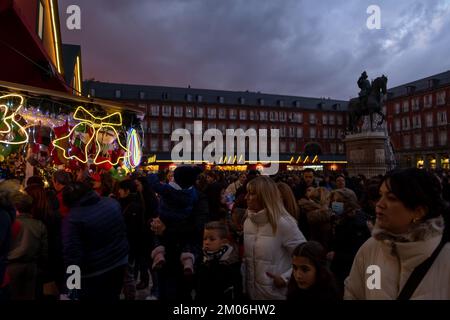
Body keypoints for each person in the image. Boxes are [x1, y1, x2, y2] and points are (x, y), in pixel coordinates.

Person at [345, 168, 450, 300]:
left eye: (391, 198)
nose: (379, 204)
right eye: (380, 195)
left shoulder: (446, 257)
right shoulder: (370, 249)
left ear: (419, 211)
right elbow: (354, 293)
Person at [62, 182, 129, 301]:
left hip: (94, 272)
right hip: (119, 261)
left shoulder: (73, 219)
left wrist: (72, 286)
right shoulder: (112, 203)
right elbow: (122, 231)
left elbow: (72, 255)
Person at [243, 176, 305, 300]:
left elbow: (305, 256)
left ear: (264, 196)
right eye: (247, 193)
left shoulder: (284, 223)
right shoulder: (248, 222)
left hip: (276, 294)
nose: (246, 197)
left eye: (252, 194)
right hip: (252, 293)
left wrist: (285, 278)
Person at [328, 188, 371, 292]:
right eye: (333, 201)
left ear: (348, 202)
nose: (334, 204)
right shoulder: (339, 218)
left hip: (349, 271)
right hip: (340, 269)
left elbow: (358, 253)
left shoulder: (357, 223)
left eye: (338, 201)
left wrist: (336, 255)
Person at [7, 192, 48, 300]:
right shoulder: (39, 224)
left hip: (10, 267)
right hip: (31, 267)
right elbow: (44, 250)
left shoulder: (9, 223)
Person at [195, 221, 242, 301]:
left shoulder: (230, 262)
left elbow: (234, 289)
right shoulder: (202, 258)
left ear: (223, 242)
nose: (207, 242)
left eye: (212, 239)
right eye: (204, 239)